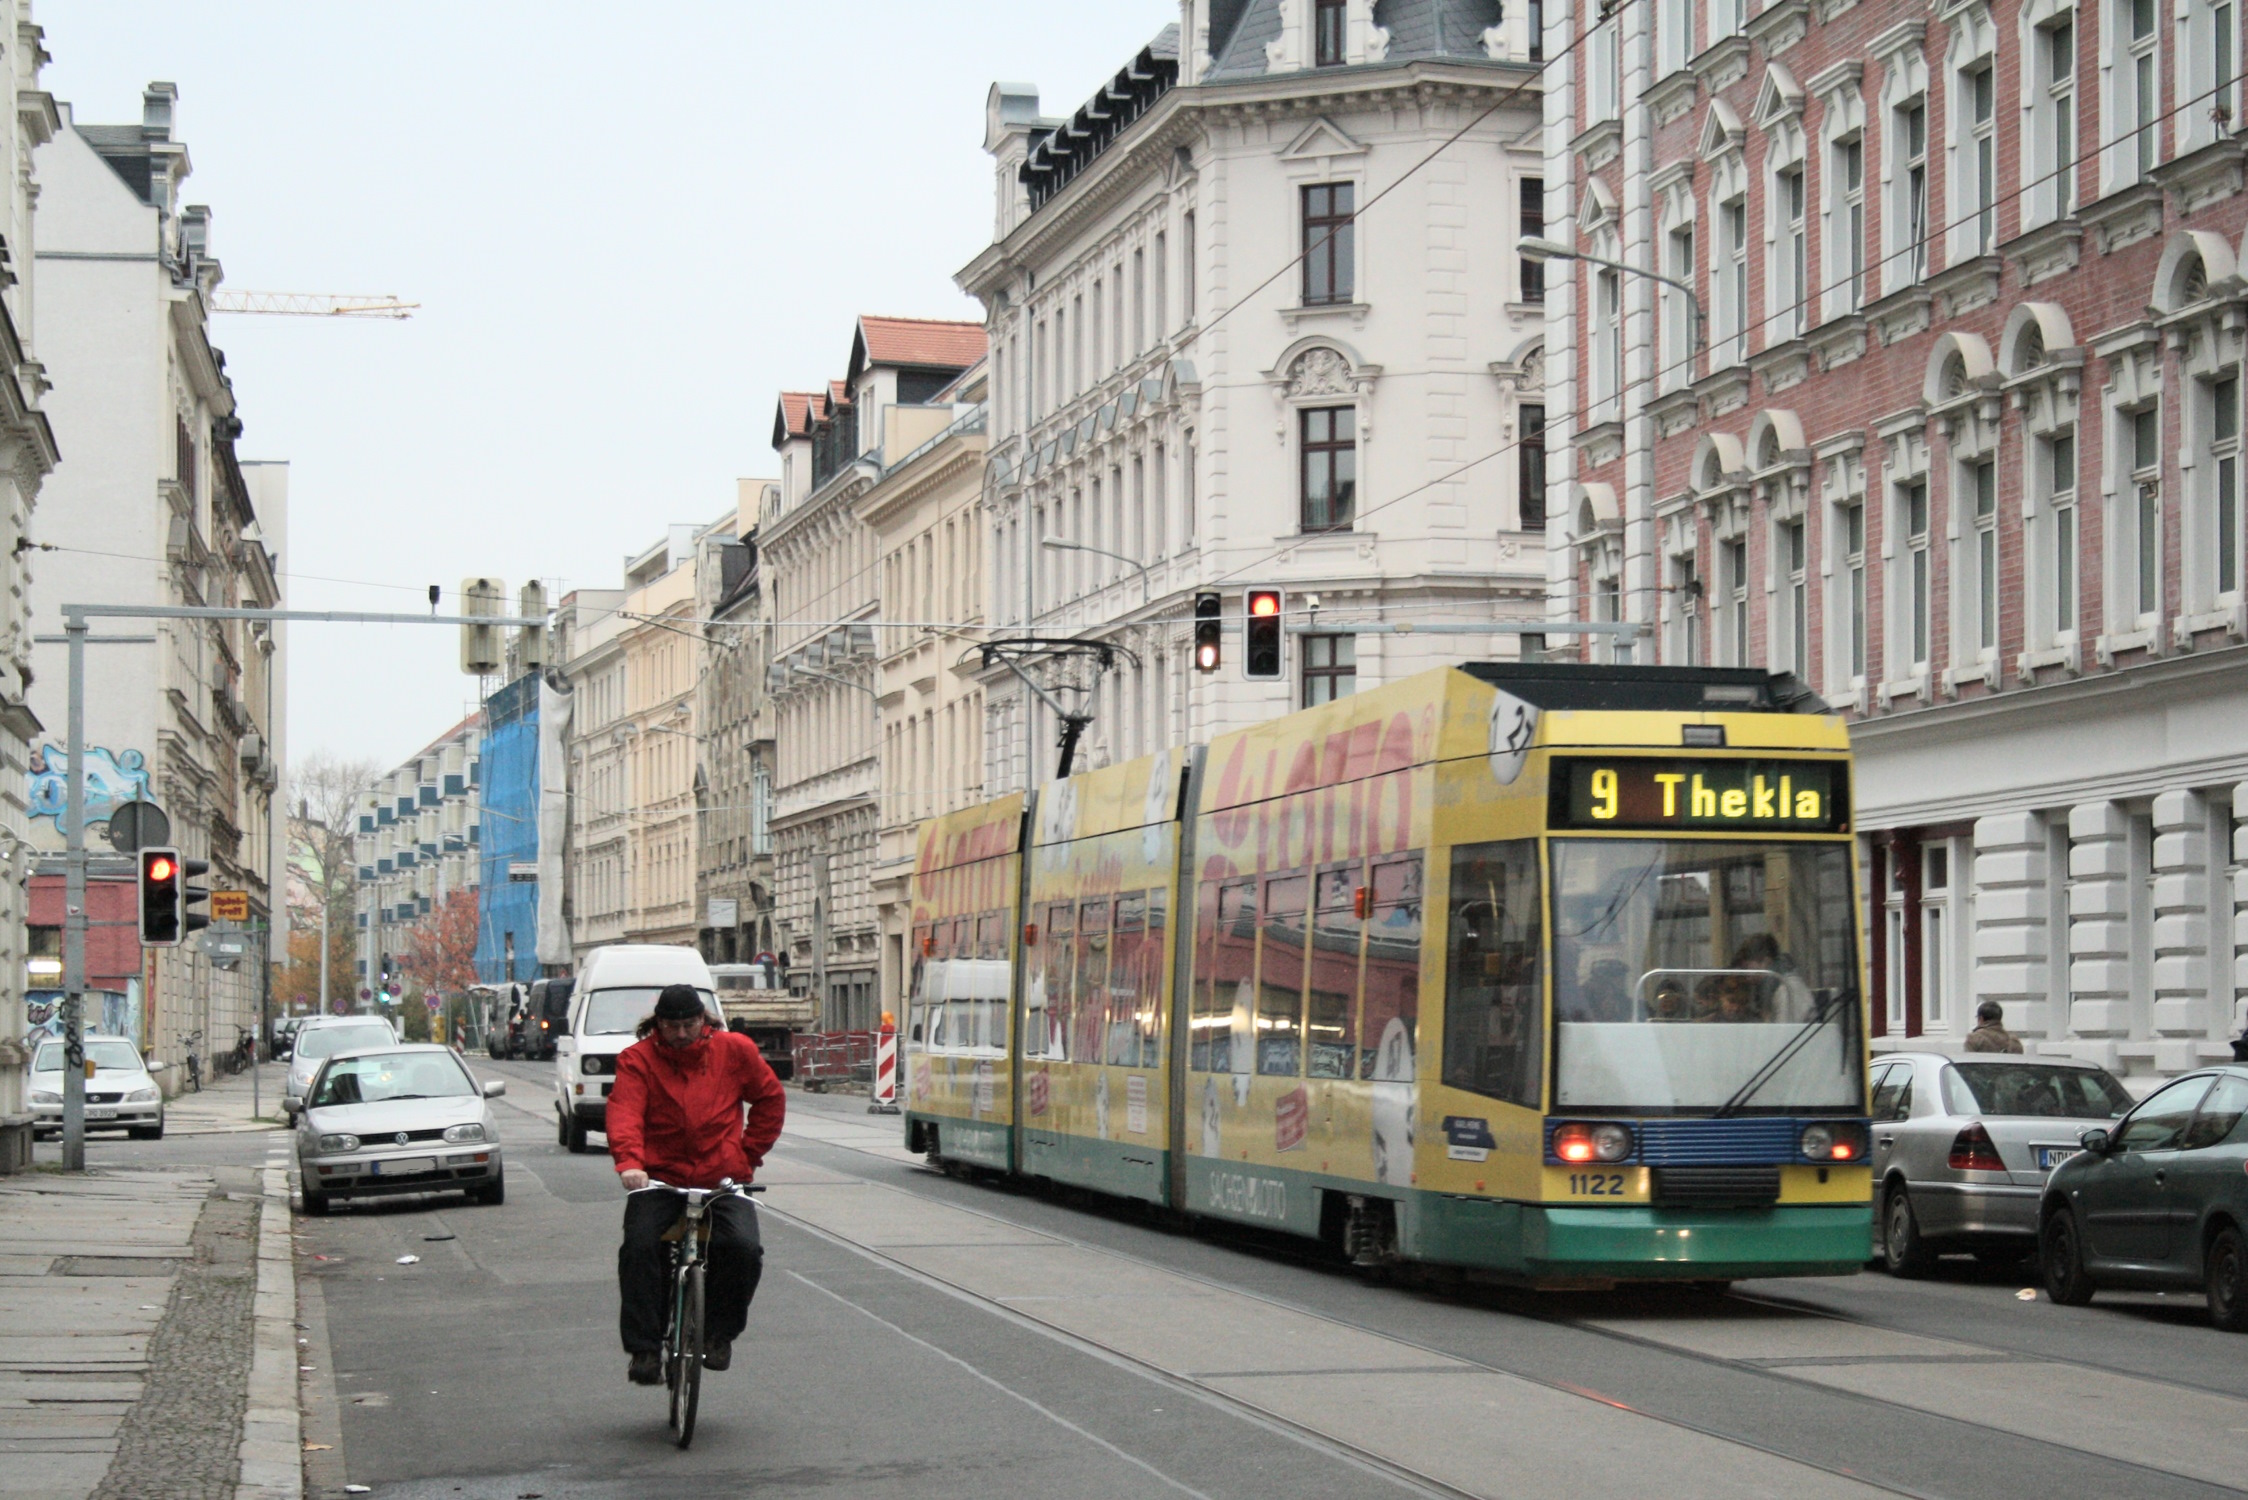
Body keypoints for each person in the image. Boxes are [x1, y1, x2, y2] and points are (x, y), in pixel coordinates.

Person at [608, 983, 787, 1387]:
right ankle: (645, 1349)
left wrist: (748, 1156)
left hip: (721, 1177)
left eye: (690, 1024)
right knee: (639, 1249)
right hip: (659, 1178)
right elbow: (626, 1112)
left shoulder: (734, 1050)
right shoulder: (637, 1060)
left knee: (743, 1249)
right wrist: (631, 1164)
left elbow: (770, 1099)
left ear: (704, 1020)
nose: (682, 1034)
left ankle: (719, 1334)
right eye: (673, 1026)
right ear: (658, 1025)